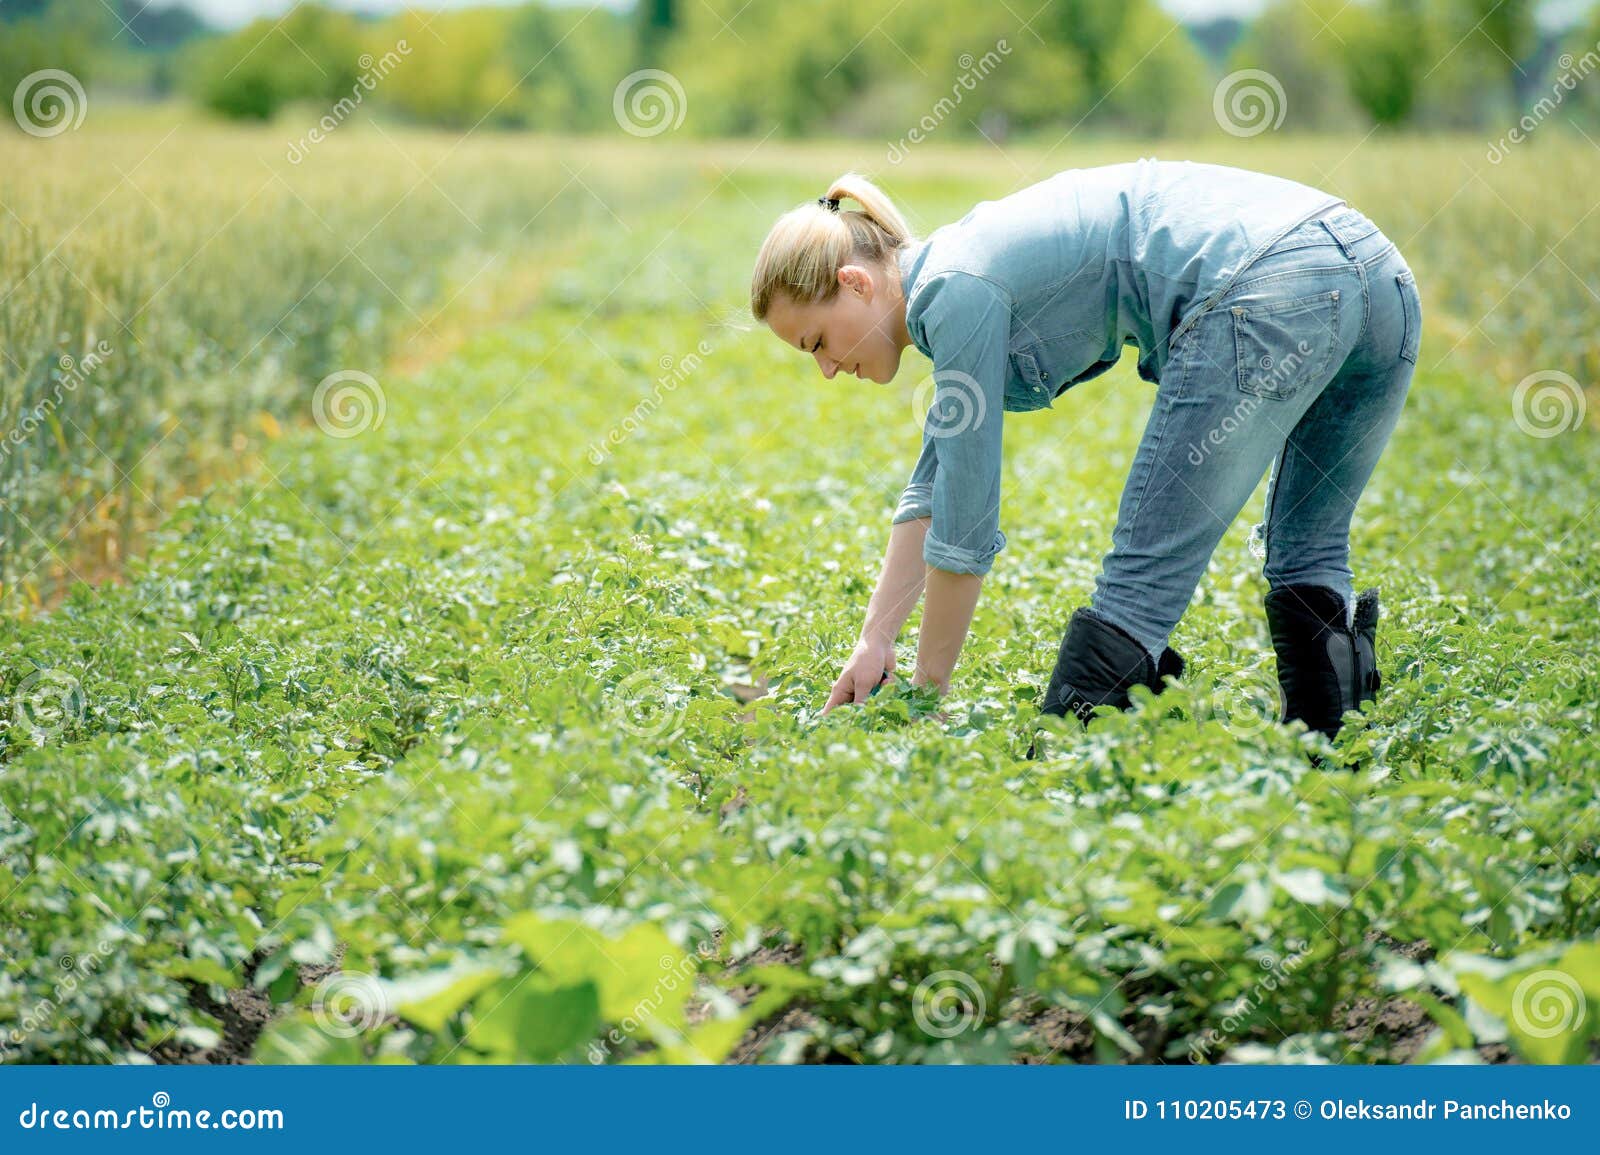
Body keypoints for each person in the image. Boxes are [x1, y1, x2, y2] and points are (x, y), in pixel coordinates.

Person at [749, 161, 1421, 747]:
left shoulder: (955, 289)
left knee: (1138, 587)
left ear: (857, 284)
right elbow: (935, 484)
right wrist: (875, 639)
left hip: (1271, 283)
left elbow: (964, 529)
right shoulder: (960, 270)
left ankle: (1078, 779)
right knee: (1309, 550)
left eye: (815, 343)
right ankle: (1331, 770)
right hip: (1379, 279)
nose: (828, 370)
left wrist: (926, 701)